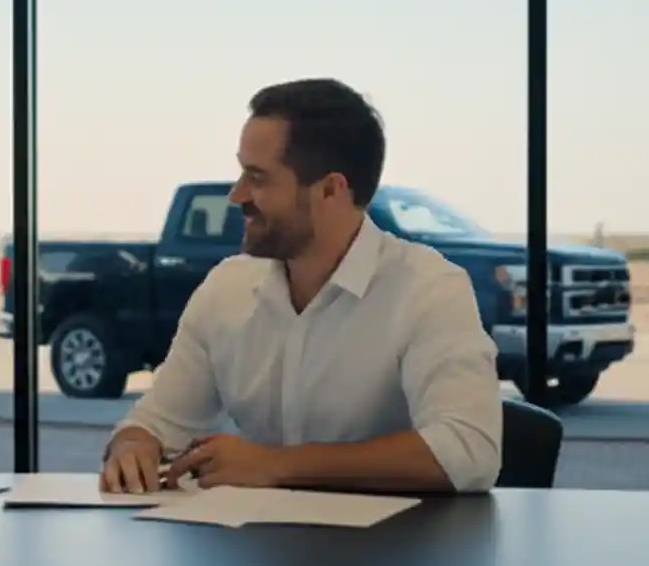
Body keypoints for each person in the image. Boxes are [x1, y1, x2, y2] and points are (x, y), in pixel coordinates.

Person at [101, 78, 502, 495]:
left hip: (394, 553)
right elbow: (156, 422)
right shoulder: (227, 288)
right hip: (257, 551)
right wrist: (134, 445)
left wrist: (277, 466)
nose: (236, 196)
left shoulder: (428, 290)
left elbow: (468, 451)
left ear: (330, 190)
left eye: (257, 178)